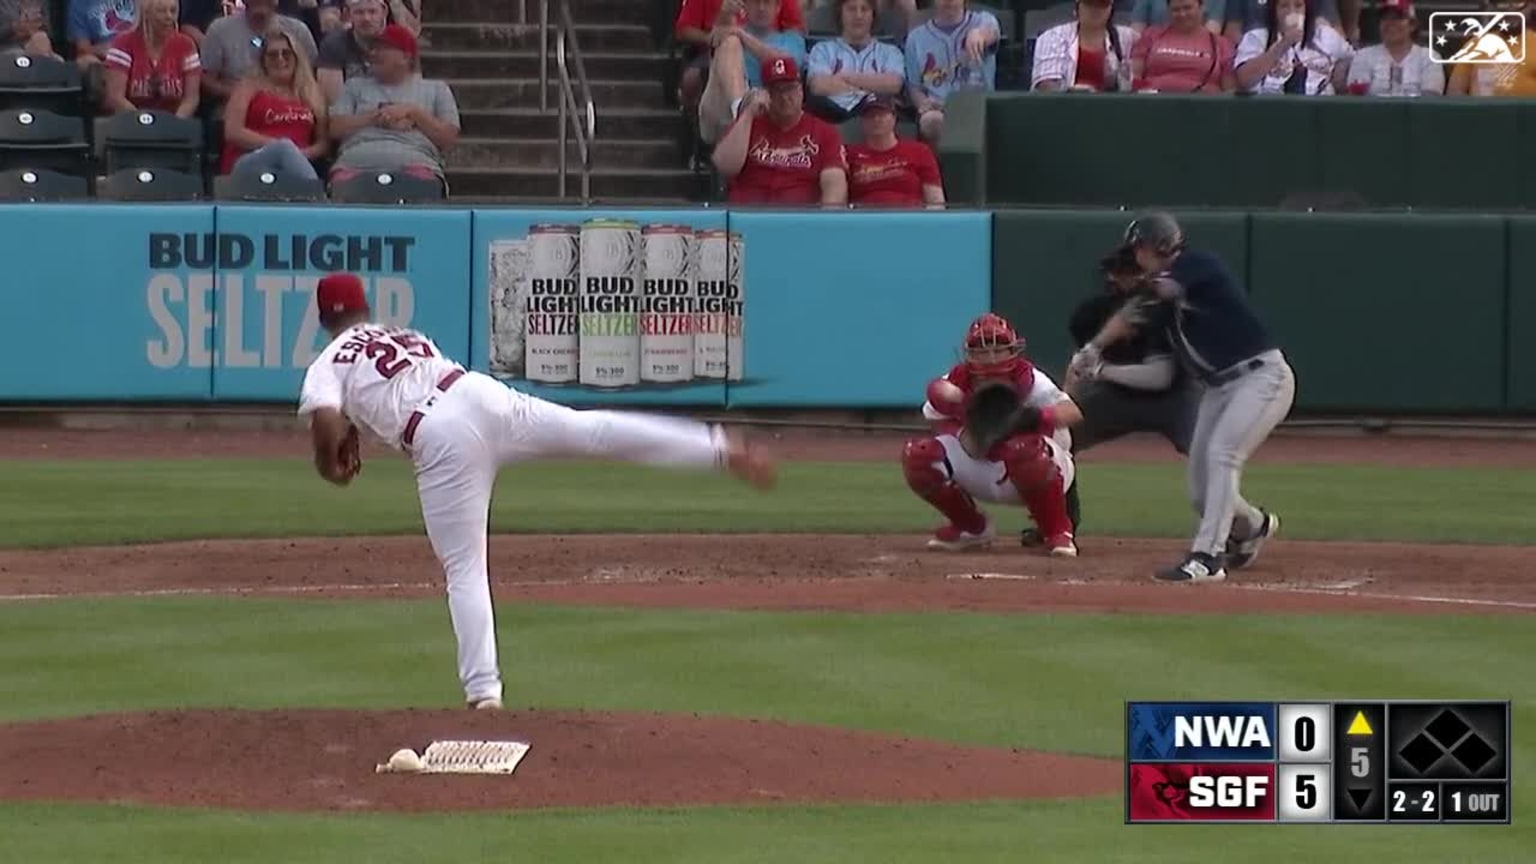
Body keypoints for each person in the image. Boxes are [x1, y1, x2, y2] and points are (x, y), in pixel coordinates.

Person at [297, 273, 777, 710]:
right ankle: (716, 448)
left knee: (465, 568)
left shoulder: (326, 362)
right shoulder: (403, 335)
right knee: (593, 431)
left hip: (438, 436)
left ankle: (484, 695)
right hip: (479, 394)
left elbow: (325, 417)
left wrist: (328, 467)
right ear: (365, 307)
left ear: (322, 319)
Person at [1069, 212, 1296, 583]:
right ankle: (1252, 526)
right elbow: (1136, 314)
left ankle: (1207, 558)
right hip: (1219, 387)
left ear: (1153, 246)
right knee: (1200, 490)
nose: (1135, 259)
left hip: (1261, 376)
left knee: (1224, 455)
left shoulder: (1197, 264)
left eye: (1138, 250)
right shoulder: (1165, 299)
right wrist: (1095, 351)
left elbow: (1147, 300)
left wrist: (1095, 348)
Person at [1018, 246, 1200, 548]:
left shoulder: (1168, 310)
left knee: (1211, 455)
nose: (1117, 279)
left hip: (1176, 396)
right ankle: (1057, 523)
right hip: (1115, 397)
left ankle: (1237, 526)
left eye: (1127, 272)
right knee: (1059, 438)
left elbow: (1161, 377)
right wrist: (1068, 400)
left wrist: (1101, 370)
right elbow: (1079, 368)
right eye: (1115, 272)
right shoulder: (1091, 314)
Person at [905, 312, 1084, 557]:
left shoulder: (1031, 381)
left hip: (1042, 466)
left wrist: (1034, 418)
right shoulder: (958, 381)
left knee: (1024, 451)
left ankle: (1056, 531)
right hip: (982, 462)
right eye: (981, 351)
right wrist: (965, 430)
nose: (990, 358)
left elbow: (1073, 412)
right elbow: (935, 418)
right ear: (969, 354)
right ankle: (971, 528)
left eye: (998, 349)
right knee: (920, 455)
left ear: (1013, 351)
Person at [328, 22, 459, 188]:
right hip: (356, 163)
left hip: (416, 163)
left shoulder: (436, 89)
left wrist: (413, 113)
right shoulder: (354, 86)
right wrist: (379, 116)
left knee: (425, 188)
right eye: (373, 48)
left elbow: (448, 137)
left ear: (406, 56)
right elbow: (334, 128)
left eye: (382, 48)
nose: (373, 53)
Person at [713, 55, 847, 205]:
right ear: (764, 94)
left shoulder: (824, 132)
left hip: (797, 219)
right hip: (747, 216)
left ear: (801, 90)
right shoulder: (748, 124)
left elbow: (834, 185)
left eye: (790, 89)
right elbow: (725, 166)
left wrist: (823, 223)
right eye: (776, 91)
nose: (784, 97)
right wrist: (748, 113)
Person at [220, 22, 326, 178]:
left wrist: (303, 153)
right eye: (272, 54)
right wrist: (280, 147)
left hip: (295, 167)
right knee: (283, 147)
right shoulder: (248, 87)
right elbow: (233, 132)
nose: (280, 59)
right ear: (263, 60)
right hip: (250, 162)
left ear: (297, 58)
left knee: (285, 150)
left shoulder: (311, 93)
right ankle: (318, 200)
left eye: (286, 53)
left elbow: (323, 143)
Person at [696, 0, 807, 148]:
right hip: (723, 112)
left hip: (768, 108)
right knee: (729, 41)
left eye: (767, 3)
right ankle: (739, 107)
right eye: (755, 2)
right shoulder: (732, 33)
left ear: (777, 7)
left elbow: (784, 63)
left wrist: (742, 35)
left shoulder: (792, 39)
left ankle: (742, 110)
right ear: (745, 6)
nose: (761, 8)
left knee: (761, 98)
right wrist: (725, 14)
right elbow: (716, 37)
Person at [904, 0, 999, 144]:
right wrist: (923, 103)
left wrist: (978, 34)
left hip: (979, 108)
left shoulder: (983, 20)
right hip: (939, 111)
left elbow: (992, 32)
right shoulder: (916, 38)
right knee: (931, 121)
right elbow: (914, 87)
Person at [199, 0, 316, 106]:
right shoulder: (219, 29)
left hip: (291, 106)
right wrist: (242, 95)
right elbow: (207, 79)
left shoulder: (299, 31)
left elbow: (311, 77)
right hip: (234, 106)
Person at [805, 0, 905, 123]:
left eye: (864, 9)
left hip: (876, 117)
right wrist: (873, 85)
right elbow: (818, 86)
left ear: (873, 15)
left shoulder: (890, 52)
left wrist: (845, 78)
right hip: (831, 116)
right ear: (840, 14)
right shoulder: (822, 49)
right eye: (851, 9)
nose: (858, 15)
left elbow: (894, 85)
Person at [102, 0, 200, 116]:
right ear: (146, 14)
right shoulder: (123, 43)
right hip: (131, 123)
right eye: (161, 11)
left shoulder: (186, 45)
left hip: (173, 124)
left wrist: (175, 124)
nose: (168, 16)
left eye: (172, 11)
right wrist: (145, 123)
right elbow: (115, 97)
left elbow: (191, 99)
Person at [1233, 0, 1353, 95]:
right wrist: (1282, 45)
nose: (1292, 12)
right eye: (1284, 6)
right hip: (1271, 109)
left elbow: (1354, 61)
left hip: (1319, 109)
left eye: (1298, 5)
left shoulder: (1325, 35)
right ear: (1274, 10)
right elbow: (1244, 80)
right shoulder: (1257, 37)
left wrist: (1338, 76)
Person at [845, 93, 943, 207]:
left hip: (909, 217)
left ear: (894, 118)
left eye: (882, 114)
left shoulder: (919, 151)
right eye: (870, 115)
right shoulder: (850, 154)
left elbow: (936, 200)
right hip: (865, 218)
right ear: (862, 121)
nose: (876, 119)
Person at [1030, 0, 1137, 92]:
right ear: (1078, 5)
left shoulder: (1128, 37)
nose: (1095, 9)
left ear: (1111, 8)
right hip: (1065, 107)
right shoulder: (1053, 36)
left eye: (1102, 3)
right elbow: (1046, 85)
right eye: (1089, 3)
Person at [1130, 0, 1235, 92]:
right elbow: (1134, 75)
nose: (1182, 14)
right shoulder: (1151, 36)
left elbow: (1229, 89)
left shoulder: (1221, 44)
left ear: (1202, 8)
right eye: (1176, 10)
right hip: (1154, 103)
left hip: (1203, 106)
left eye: (1187, 8)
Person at [1343, 0, 1439, 96]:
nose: (1390, 23)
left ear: (1412, 25)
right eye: (1385, 18)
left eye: (1398, 17)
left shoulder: (1428, 57)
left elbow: (1431, 99)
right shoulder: (1363, 56)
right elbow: (1355, 98)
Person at [315, 0, 386, 103]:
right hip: (349, 113)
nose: (366, 18)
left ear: (384, 13)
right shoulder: (333, 44)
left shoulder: (398, 44)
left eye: (372, 12)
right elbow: (333, 102)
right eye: (359, 12)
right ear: (348, 15)